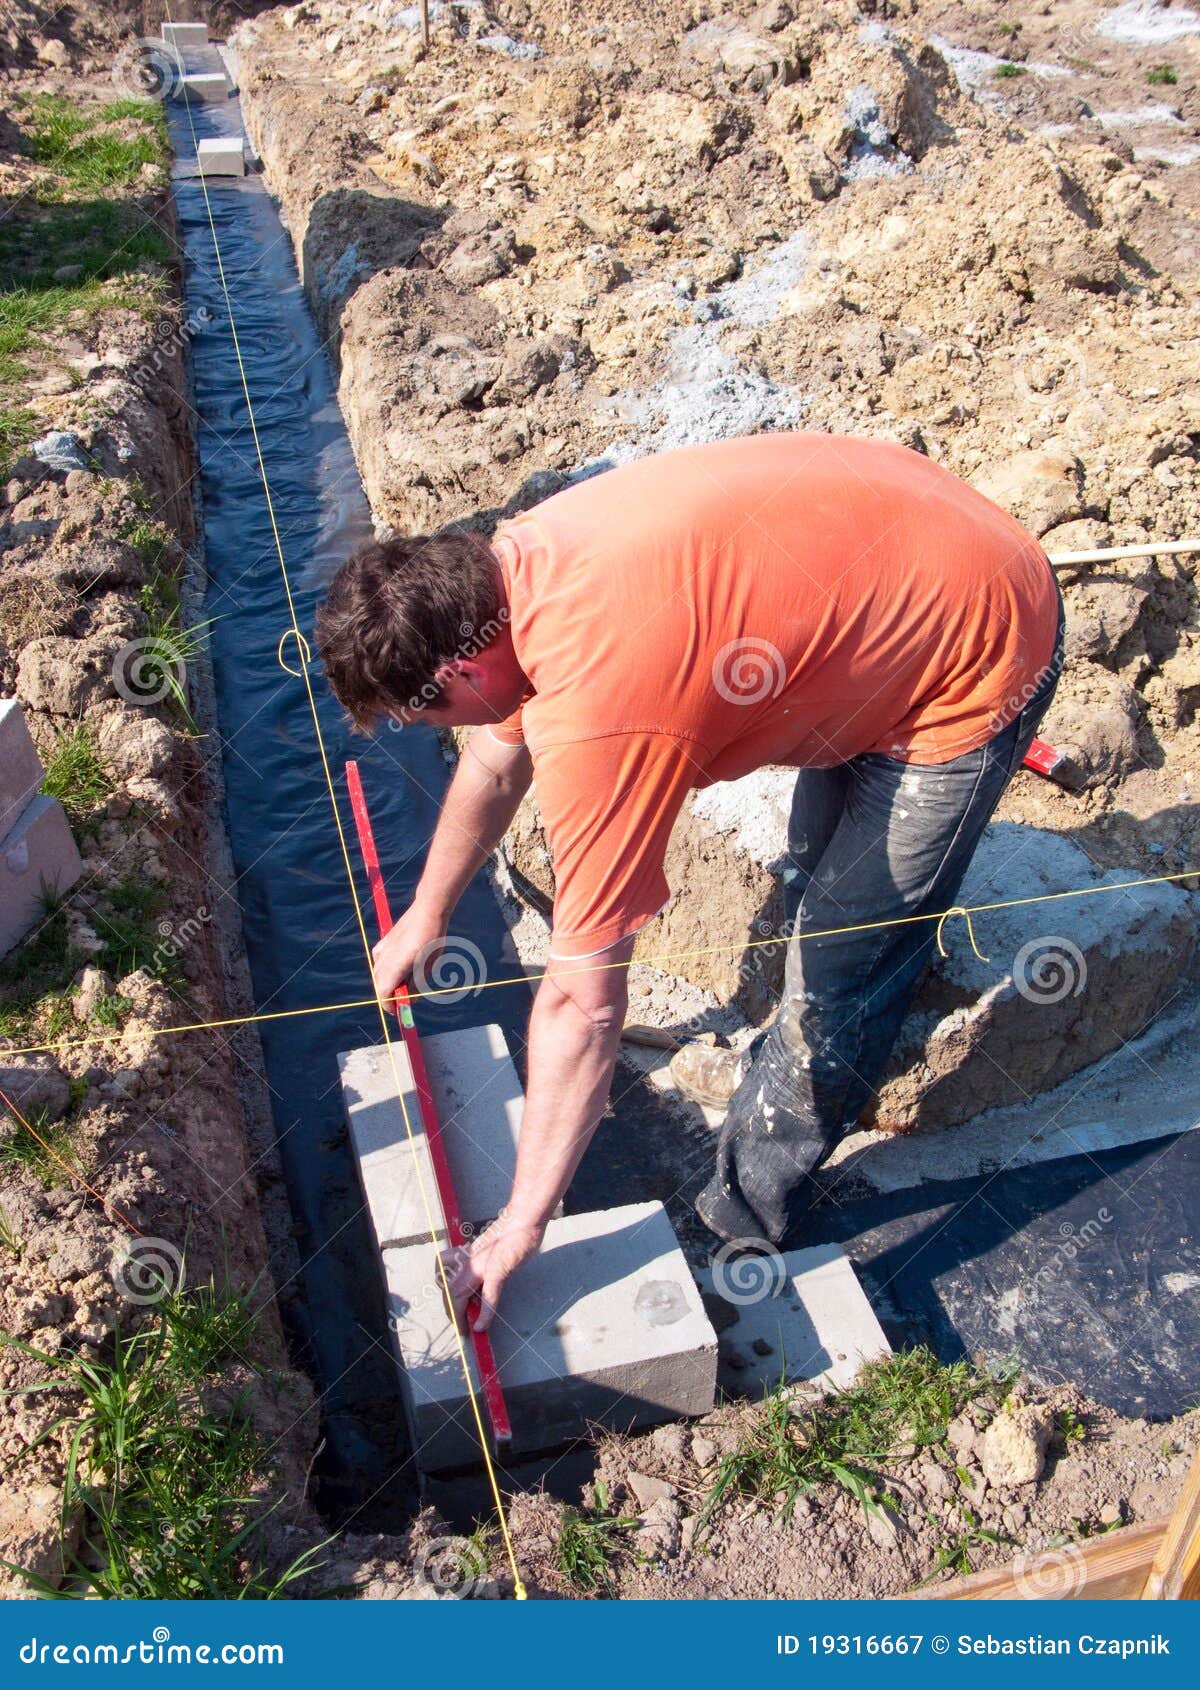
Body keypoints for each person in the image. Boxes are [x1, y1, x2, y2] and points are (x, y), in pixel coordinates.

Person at [316, 432, 1064, 1329]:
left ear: (465, 667)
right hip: (902, 559)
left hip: (979, 650)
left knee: (836, 975)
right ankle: (811, 1002)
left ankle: (740, 1226)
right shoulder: (512, 574)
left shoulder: (601, 713)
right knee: (814, 880)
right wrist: (425, 914)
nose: (417, 731)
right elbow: (491, 762)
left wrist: (518, 1227)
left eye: (415, 712)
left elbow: (583, 1006)